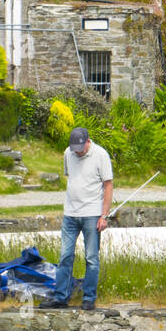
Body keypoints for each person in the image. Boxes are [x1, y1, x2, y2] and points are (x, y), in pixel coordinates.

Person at [42, 125, 113, 311]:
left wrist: (103, 215)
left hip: (92, 214)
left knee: (91, 258)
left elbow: (108, 186)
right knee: (65, 256)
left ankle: (89, 298)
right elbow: (72, 178)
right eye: (75, 150)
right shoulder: (69, 153)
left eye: (80, 149)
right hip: (70, 214)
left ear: (88, 142)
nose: (78, 153)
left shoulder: (101, 155)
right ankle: (60, 297)